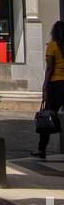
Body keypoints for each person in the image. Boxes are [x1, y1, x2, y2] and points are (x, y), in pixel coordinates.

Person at [34, 19, 64, 159]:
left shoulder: (52, 46)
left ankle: (42, 149)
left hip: (56, 85)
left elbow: (49, 69)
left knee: (47, 116)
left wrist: (45, 87)